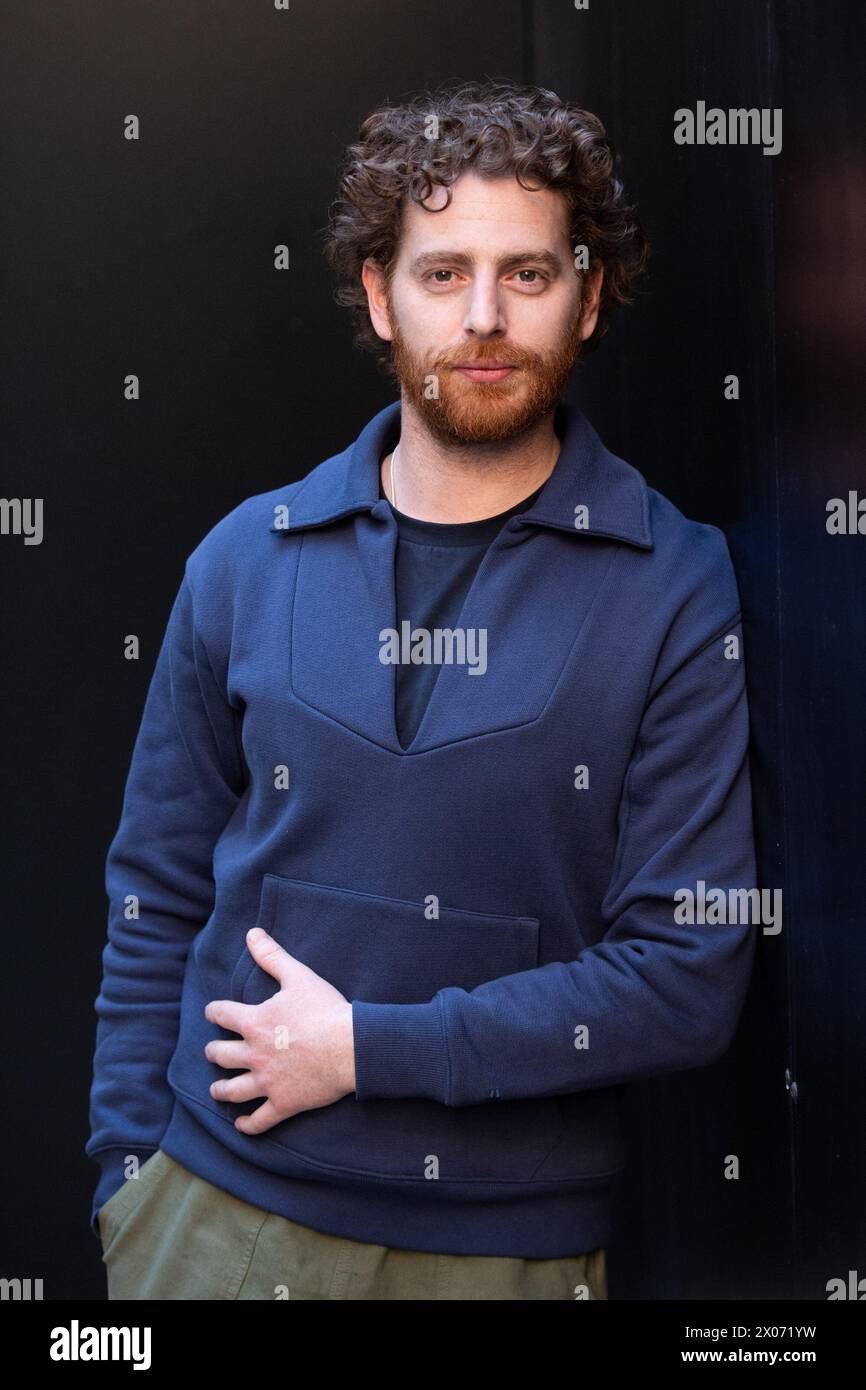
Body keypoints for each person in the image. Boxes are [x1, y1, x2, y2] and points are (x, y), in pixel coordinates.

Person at [86, 78, 757, 1300]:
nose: (486, 316)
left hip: (503, 1253)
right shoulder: (248, 554)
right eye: (442, 273)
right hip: (210, 1220)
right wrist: (127, 1176)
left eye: (530, 274)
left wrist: (369, 1051)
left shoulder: (674, 585)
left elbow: (687, 973)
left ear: (588, 297)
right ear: (377, 296)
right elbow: (155, 889)